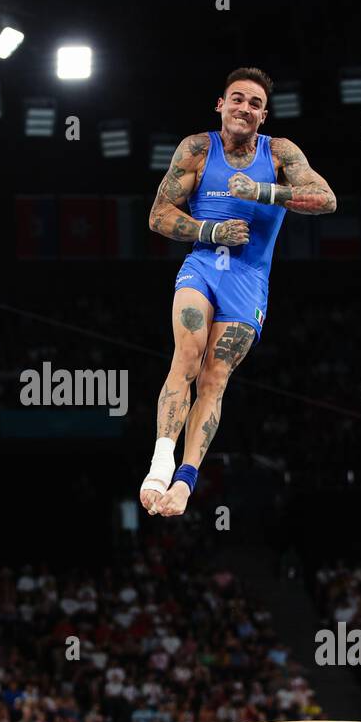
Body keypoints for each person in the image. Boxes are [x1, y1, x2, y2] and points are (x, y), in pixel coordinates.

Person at [141, 66, 336, 517]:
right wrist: (210, 230)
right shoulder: (196, 148)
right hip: (204, 266)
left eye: (254, 104)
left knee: (214, 378)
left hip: (249, 283)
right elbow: (157, 215)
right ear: (220, 104)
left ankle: (185, 483)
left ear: (263, 116)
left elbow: (326, 200)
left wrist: (263, 191)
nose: (244, 108)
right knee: (187, 357)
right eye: (237, 99)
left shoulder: (281, 152)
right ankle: (157, 467)